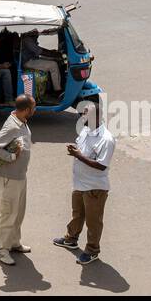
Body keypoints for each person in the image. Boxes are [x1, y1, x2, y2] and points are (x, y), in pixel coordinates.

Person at [53, 98, 115, 264]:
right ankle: (71, 239)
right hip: (80, 183)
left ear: (95, 117)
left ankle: (92, 250)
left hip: (95, 188)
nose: (81, 116)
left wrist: (78, 155)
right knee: (77, 214)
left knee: (93, 221)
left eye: (85, 114)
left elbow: (102, 165)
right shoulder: (86, 130)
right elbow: (83, 151)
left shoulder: (106, 139)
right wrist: (76, 150)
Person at [0, 94, 35, 266]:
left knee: (18, 213)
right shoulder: (12, 127)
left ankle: (14, 242)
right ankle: (1, 250)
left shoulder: (22, 122)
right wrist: (11, 157)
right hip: (8, 179)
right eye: (33, 107)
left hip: (20, 177)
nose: (35, 110)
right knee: (7, 214)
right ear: (27, 110)